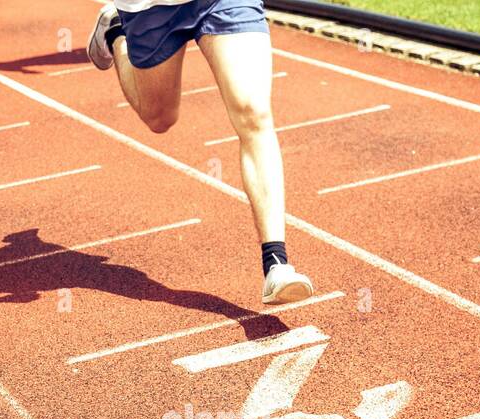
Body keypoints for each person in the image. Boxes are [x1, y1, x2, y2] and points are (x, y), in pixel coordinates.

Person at [87, 1, 314, 306]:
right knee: (159, 117)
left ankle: (276, 263)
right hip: (150, 6)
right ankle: (115, 32)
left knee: (253, 112)